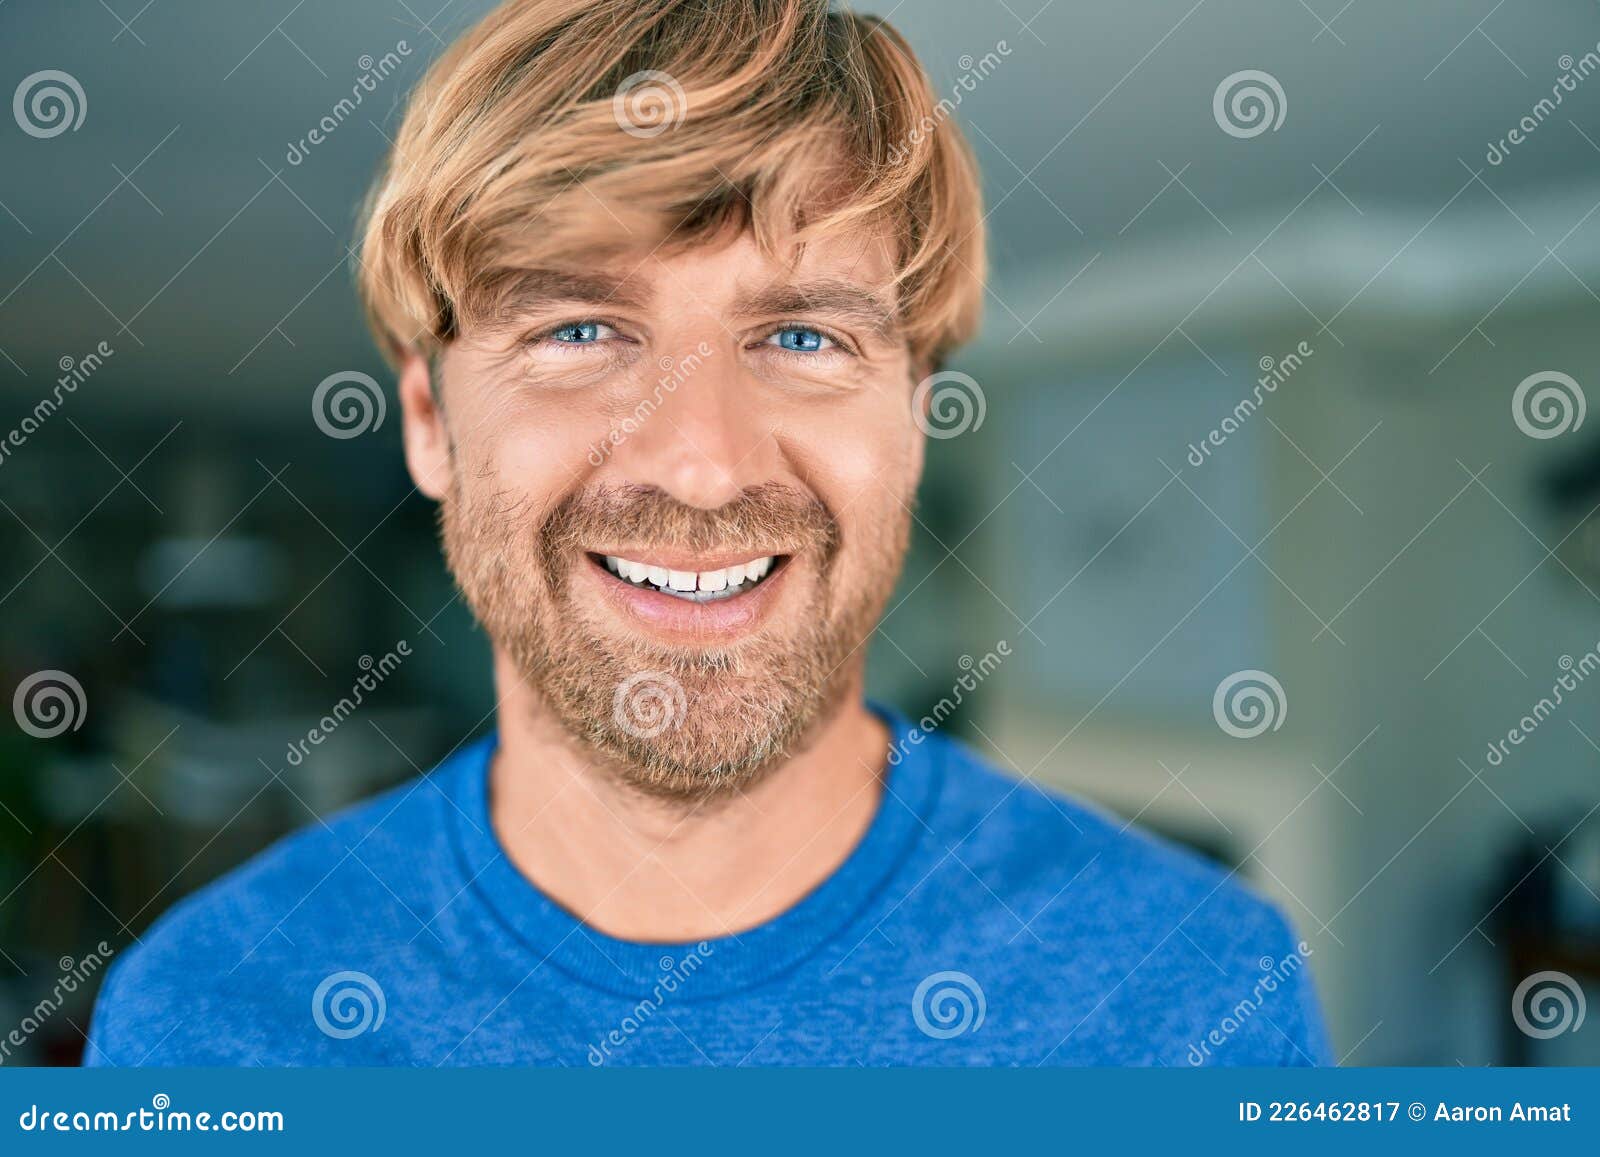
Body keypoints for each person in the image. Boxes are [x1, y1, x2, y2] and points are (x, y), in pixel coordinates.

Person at [87, 0, 1328, 1066]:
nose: (702, 460)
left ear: (914, 420)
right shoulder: (205, 1019)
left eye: (802, 336)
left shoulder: (1191, 992)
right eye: (579, 330)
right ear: (428, 421)